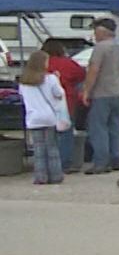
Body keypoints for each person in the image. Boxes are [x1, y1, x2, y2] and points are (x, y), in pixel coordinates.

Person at [80, 18, 119, 174]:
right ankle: (116, 158)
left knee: (98, 127)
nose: (94, 35)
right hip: (117, 92)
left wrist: (86, 90)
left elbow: (93, 70)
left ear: (102, 31)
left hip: (101, 93)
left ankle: (101, 161)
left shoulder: (100, 48)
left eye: (95, 31)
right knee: (115, 126)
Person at [19, 51, 71, 186]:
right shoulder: (50, 79)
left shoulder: (24, 82)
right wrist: (58, 79)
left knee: (38, 149)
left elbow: (24, 98)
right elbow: (59, 94)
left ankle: (40, 176)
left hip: (33, 118)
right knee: (52, 148)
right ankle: (55, 175)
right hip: (49, 117)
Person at [42, 40, 85, 174]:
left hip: (45, 103)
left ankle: (47, 164)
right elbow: (81, 75)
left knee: (47, 136)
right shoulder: (67, 63)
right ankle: (64, 163)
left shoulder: (41, 64)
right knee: (66, 134)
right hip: (66, 102)